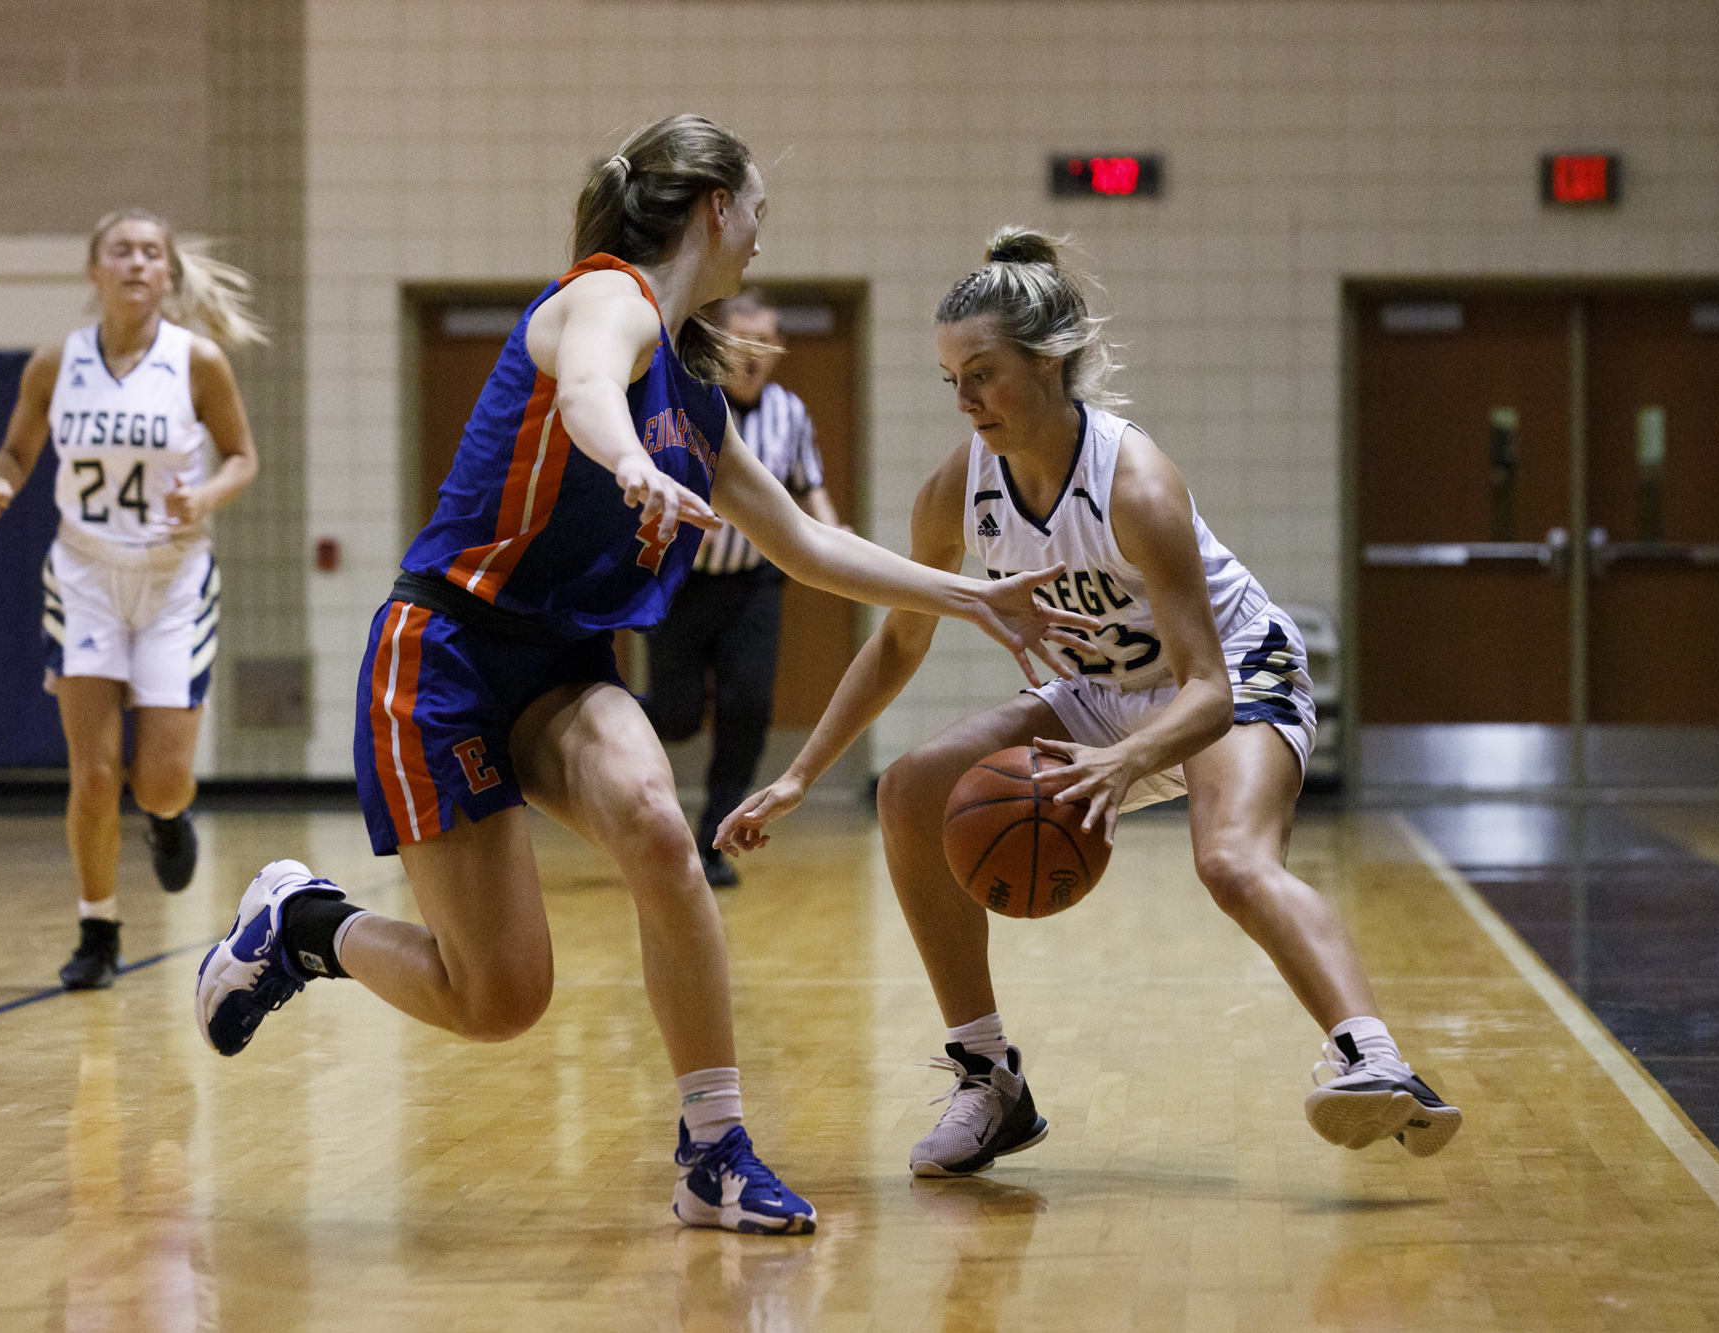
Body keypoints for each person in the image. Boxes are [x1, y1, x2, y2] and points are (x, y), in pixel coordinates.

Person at [190, 117, 1097, 1234]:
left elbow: (807, 548)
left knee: (659, 827)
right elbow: (583, 395)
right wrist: (625, 464)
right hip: (447, 653)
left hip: (564, 665)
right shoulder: (605, 297)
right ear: (715, 208)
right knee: (500, 999)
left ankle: (713, 1153)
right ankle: (305, 924)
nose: (763, 237)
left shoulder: (697, 390)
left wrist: (969, 596)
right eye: (758, 210)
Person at [717, 227, 1462, 1176]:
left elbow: (1204, 688)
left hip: (1232, 672)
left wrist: (1129, 760)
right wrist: (796, 775)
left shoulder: (1134, 481)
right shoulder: (958, 488)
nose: (966, 399)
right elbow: (899, 640)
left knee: (1233, 860)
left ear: (1050, 359)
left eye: (982, 373)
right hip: (1101, 690)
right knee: (907, 790)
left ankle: (1376, 1061)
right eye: (950, 379)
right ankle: (989, 1079)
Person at [0, 209, 263, 990]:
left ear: (167, 273)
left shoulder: (196, 361)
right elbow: (17, 447)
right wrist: (1, 479)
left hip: (172, 578)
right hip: (86, 575)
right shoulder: (54, 364)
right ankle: (97, 928)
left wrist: (204, 496)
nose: (136, 262)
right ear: (94, 270)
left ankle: (167, 821)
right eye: (121, 250)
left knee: (159, 780)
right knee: (94, 775)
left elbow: (242, 457)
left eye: (151, 252)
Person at [642, 290, 846, 888]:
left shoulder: (792, 413)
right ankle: (590, 717)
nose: (755, 353)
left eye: (765, 341)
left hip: (753, 587)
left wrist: (836, 538)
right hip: (682, 585)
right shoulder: (691, 403)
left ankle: (711, 842)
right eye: (743, 341)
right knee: (677, 714)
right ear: (721, 347)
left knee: (748, 709)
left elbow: (810, 489)